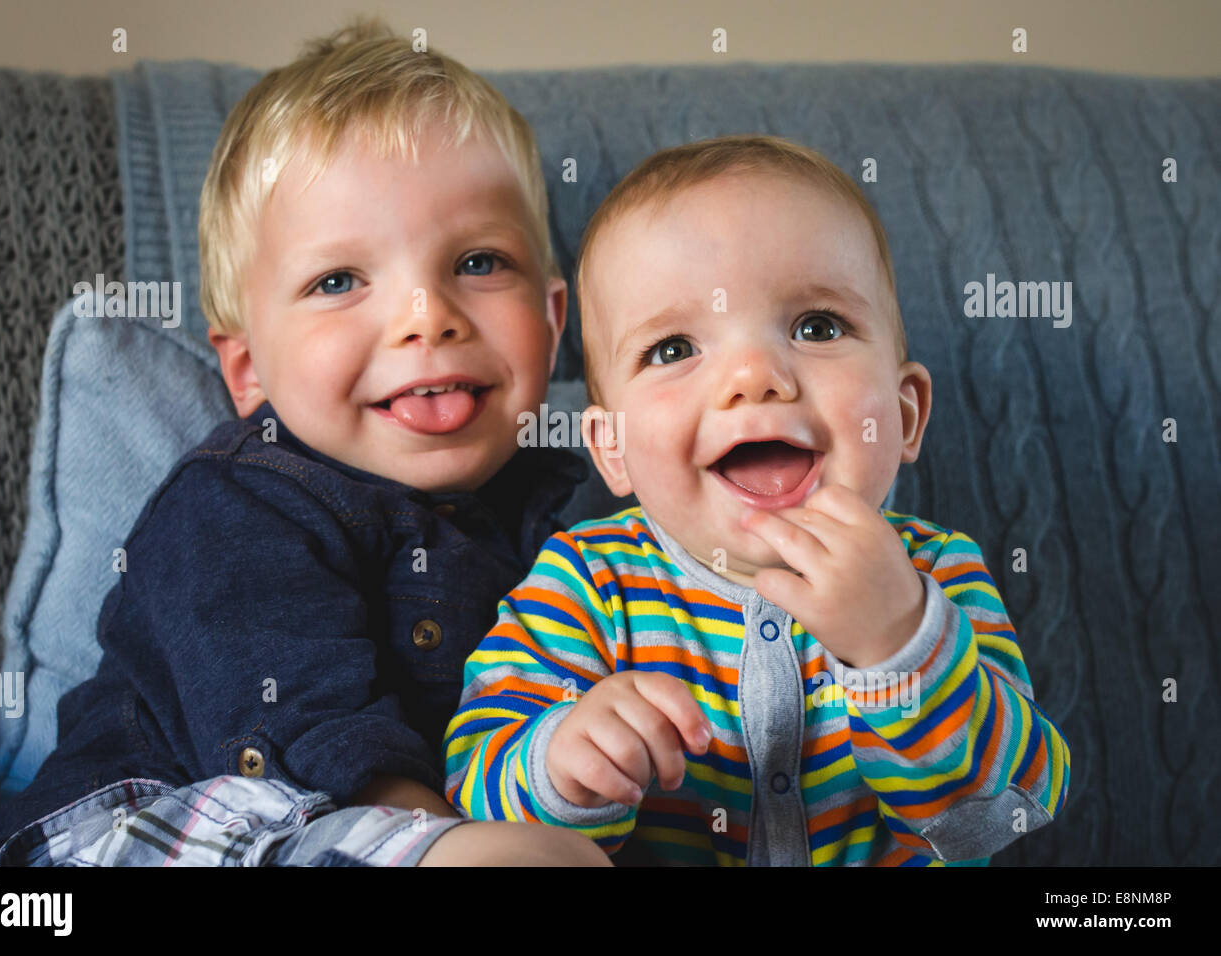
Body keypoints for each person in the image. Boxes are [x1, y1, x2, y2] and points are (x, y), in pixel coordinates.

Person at [0, 16, 609, 867]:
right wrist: (441, 842)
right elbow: (292, 719)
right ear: (248, 372)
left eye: (480, 263)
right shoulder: (239, 499)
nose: (428, 318)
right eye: (339, 281)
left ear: (554, 321)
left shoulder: (579, 501)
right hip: (158, 824)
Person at [443, 134, 1071, 866]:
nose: (755, 377)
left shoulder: (931, 574)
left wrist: (900, 647)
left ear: (903, 416)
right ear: (611, 446)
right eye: (674, 348)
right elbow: (472, 785)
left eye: (816, 327)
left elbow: (1002, 816)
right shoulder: (586, 581)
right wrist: (562, 764)